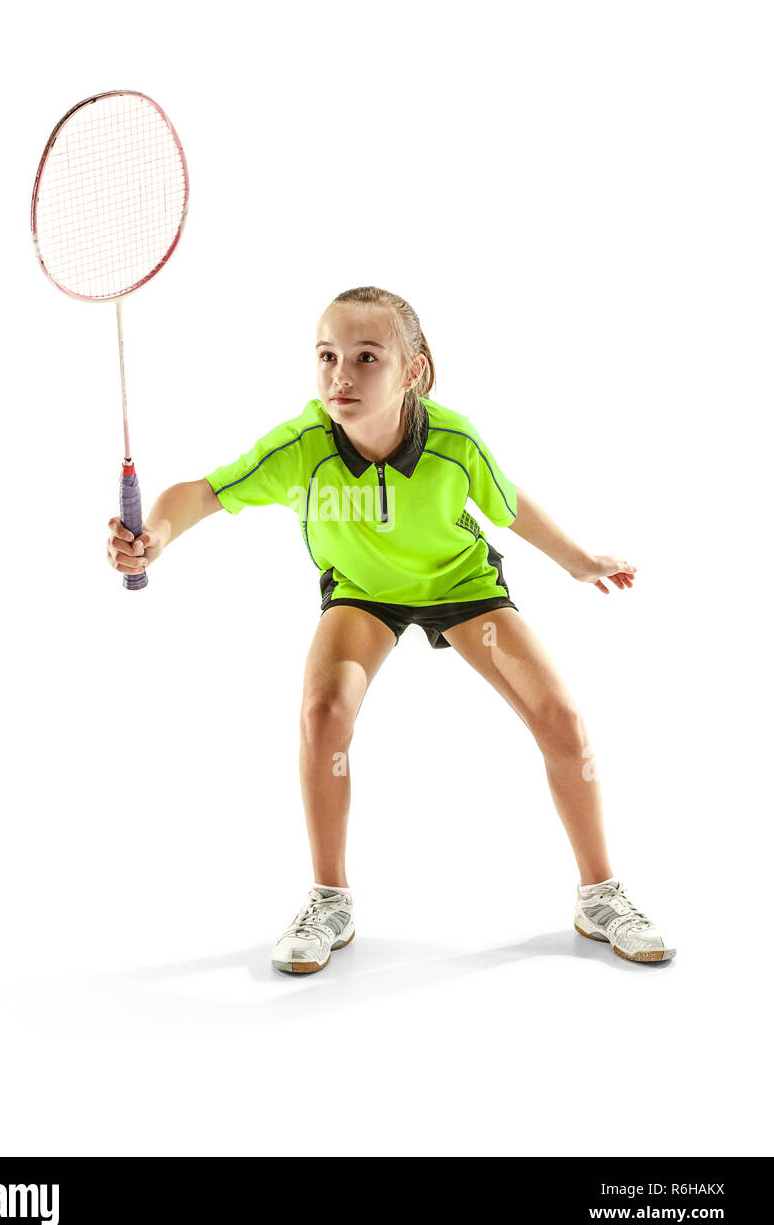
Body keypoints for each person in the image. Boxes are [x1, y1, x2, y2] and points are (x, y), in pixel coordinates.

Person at [106, 285, 675, 975]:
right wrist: (156, 536)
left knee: (561, 718)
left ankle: (600, 894)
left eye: (366, 357)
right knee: (323, 715)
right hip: (362, 596)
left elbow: (509, 505)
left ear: (413, 371)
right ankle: (329, 899)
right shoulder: (302, 446)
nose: (340, 376)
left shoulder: (452, 440)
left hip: (460, 587)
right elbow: (200, 492)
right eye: (326, 356)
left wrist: (580, 561)